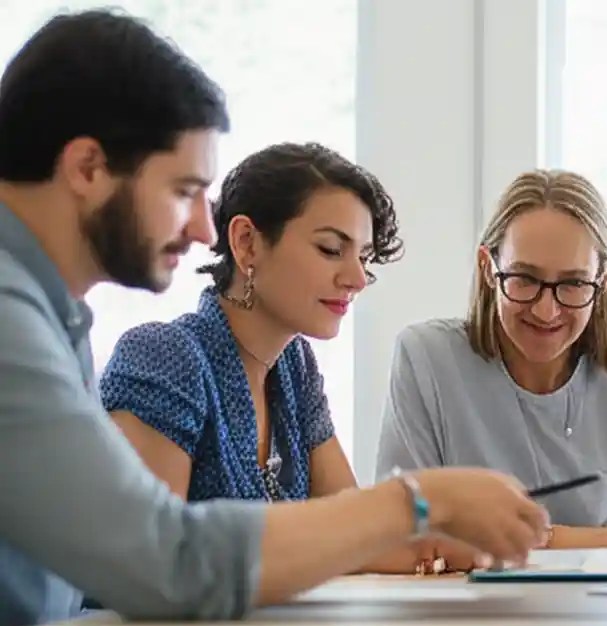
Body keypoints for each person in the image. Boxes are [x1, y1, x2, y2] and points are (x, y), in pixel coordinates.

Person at [0, 9, 545, 626]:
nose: (203, 229)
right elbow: (163, 560)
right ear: (87, 168)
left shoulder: (50, 319)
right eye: (182, 190)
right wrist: (420, 500)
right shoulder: (16, 323)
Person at [99, 142, 461, 574]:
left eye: (363, 257)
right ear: (247, 243)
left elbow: (358, 532)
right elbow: (148, 562)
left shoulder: (295, 369)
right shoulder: (163, 357)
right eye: (330, 249)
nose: (358, 278)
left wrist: (453, 539)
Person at [377, 170, 607, 552]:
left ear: (604, 281)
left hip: (593, 611)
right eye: (524, 279)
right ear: (488, 269)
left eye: (573, 284)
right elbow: (399, 533)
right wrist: (561, 539)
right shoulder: (425, 360)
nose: (547, 310)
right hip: (458, 610)